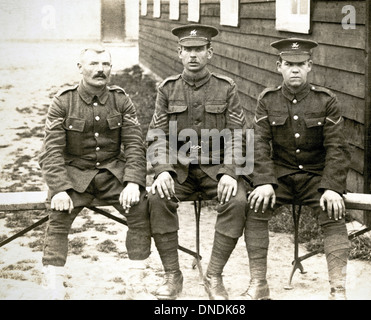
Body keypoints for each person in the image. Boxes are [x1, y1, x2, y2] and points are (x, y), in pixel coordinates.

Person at [38, 45, 151, 299]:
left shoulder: (121, 100)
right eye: (93, 64)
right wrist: (58, 188)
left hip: (112, 174)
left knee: (142, 207)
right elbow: (51, 151)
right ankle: (54, 283)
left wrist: (133, 182)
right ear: (80, 68)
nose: (100, 70)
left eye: (105, 65)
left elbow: (134, 144)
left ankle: (136, 283)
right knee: (58, 216)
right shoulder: (63, 101)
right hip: (74, 176)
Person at [244, 38, 351, 300]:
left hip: (316, 178)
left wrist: (332, 187)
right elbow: (258, 143)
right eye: (289, 64)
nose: (295, 69)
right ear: (278, 66)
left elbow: (337, 147)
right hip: (279, 178)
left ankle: (338, 289)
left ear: (310, 66)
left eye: (300, 64)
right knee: (254, 207)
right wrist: (264, 181)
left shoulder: (326, 100)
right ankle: (258, 283)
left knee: (334, 213)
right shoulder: (267, 100)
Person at [147, 24, 248, 300]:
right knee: (156, 198)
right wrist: (163, 171)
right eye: (187, 50)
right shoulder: (167, 90)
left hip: (216, 172)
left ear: (210, 53)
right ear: (179, 53)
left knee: (238, 201)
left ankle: (214, 275)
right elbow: (156, 136)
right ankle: (172, 275)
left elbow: (239, 135)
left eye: (199, 49)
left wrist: (229, 172)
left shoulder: (226, 89)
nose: (193, 55)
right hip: (179, 172)